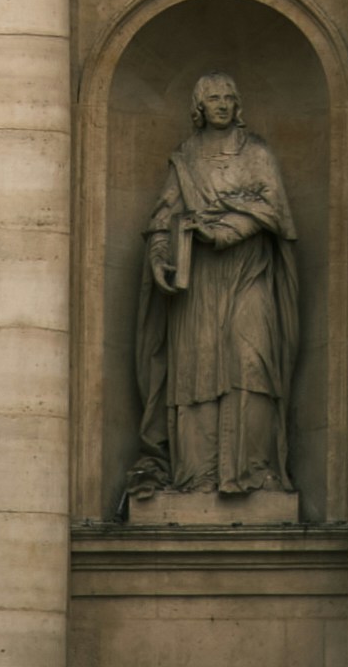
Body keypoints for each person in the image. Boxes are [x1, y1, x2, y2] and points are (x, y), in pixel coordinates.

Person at [129, 71, 300, 515]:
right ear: (199, 107)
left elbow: (274, 210)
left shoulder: (257, 153)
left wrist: (225, 231)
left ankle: (253, 469)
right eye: (214, 98)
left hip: (249, 272)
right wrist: (160, 256)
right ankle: (197, 474)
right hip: (198, 282)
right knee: (197, 368)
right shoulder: (185, 158)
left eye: (229, 97)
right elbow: (163, 217)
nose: (222, 104)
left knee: (252, 360)